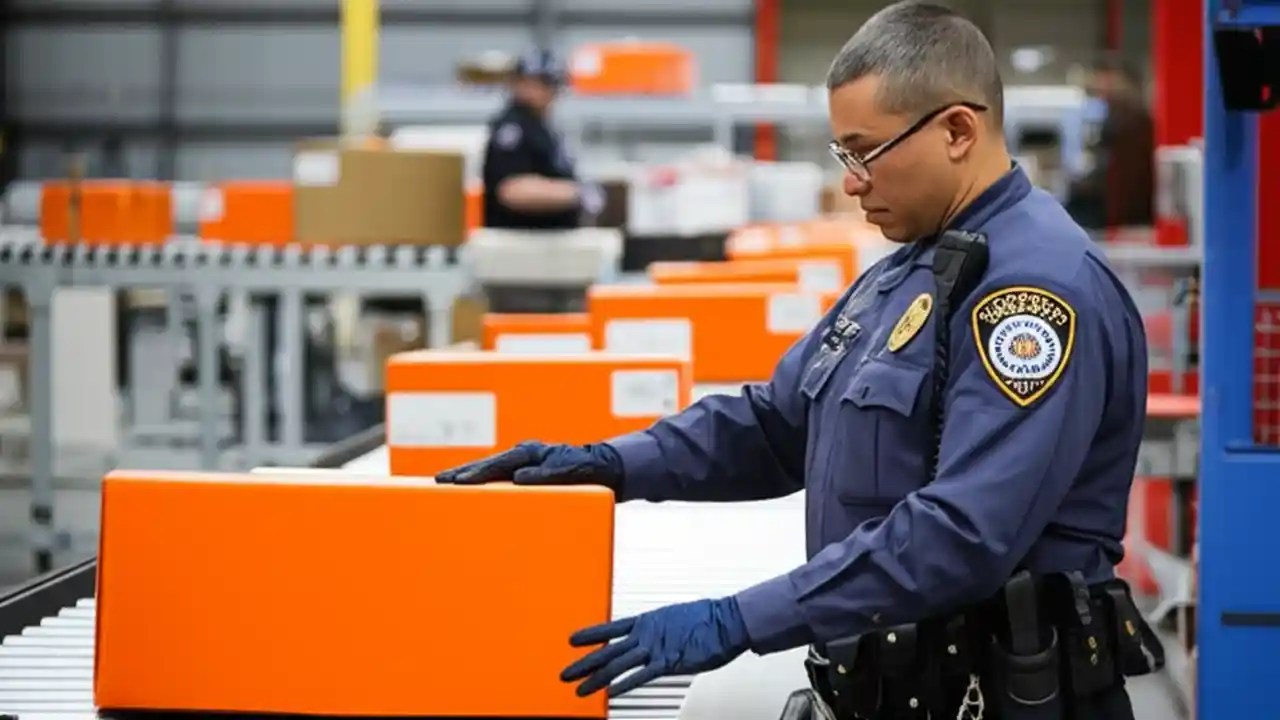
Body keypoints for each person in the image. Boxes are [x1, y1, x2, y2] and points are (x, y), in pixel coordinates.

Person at [439, 3, 1162, 718]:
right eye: (842, 155)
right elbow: (779, 422)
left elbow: (963, 533)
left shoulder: (1032, 293)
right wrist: (615, 463)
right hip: (900, 688)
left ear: (957, 131)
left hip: (1000, 698)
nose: (851, 182)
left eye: (865, 152)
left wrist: (742, 618)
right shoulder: (913, 265)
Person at [480, 48, 604, 230]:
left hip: (548, 238)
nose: (541, 90)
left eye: (548, 83)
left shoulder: (542, 126)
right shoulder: (513, 128)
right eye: (531, 82)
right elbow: (512, 190)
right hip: (521, 239)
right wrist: (574, 193)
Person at [1065, 54, 1156, 230]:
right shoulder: (1116, 119)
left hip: (1124, 218)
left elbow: (1125, 179)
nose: (1099, 87)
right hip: (1117, 214)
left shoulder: (1133, 124)